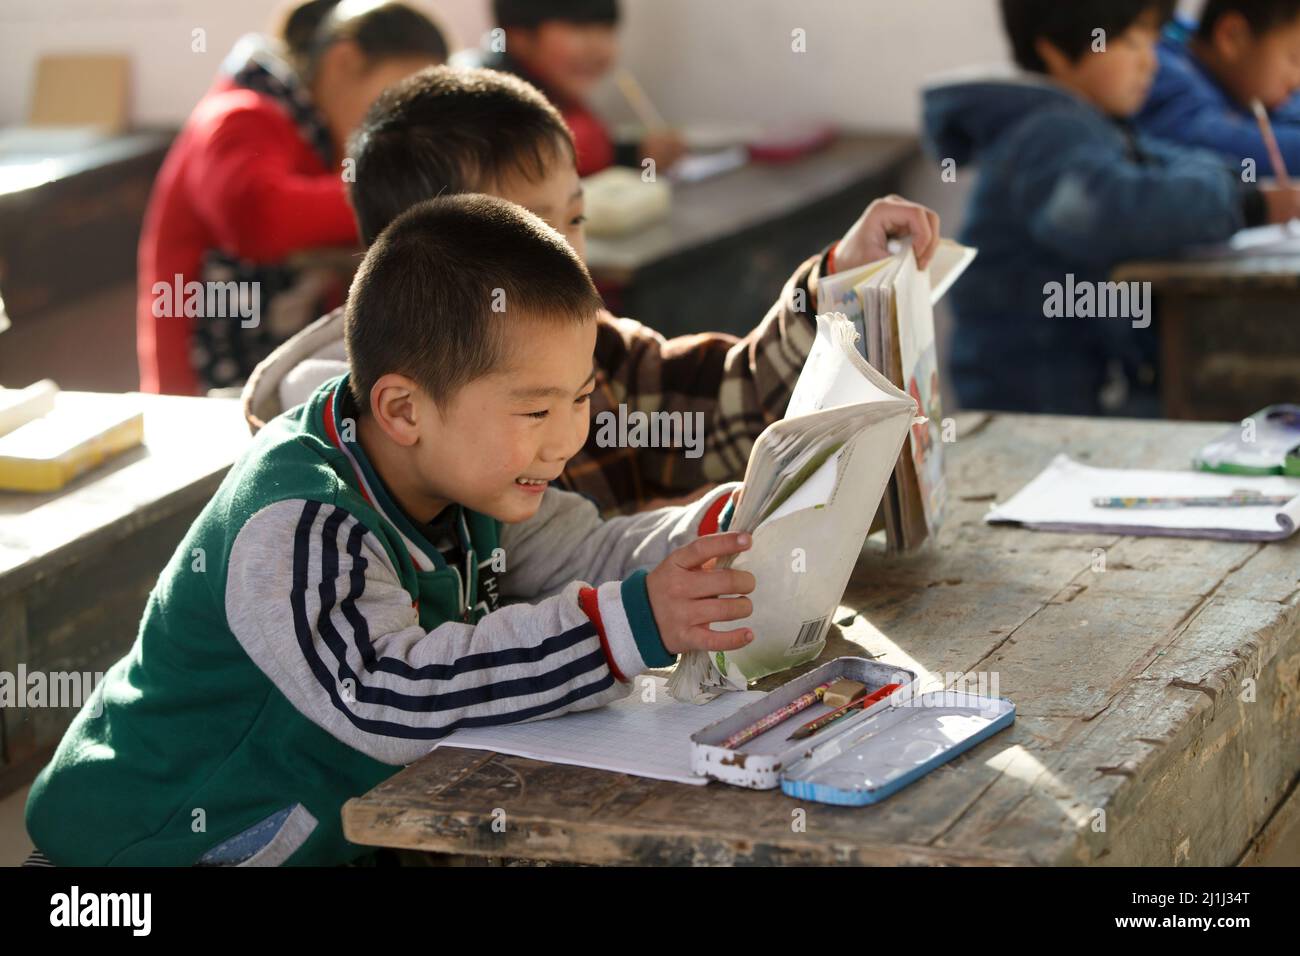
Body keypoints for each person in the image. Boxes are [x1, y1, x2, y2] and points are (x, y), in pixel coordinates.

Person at [27, 195, 762, 866]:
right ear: (404, 410)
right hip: (148, 856)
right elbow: (388, 694)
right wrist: (625, 627)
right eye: (537, 412)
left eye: (578, 399)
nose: (567, 436)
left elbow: (590, 550)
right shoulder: (297, 522)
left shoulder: (467, 473)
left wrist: (727, 530)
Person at [243, 66, 943, 514]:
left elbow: (728, 405)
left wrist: (838, 283)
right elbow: (519, 584)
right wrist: (681, 524)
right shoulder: (389, 435)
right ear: (413, 259)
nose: (564, 254)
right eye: (525, 231)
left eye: (573, 218)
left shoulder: (595, 348)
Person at [922, 0, 1300, 415]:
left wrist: (1240, 188)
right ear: (1054, 46)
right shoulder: (1046, 136)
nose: (1150, 64)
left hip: (1075, 385)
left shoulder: (1091, 127)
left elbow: (1165, 164)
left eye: (1153, 44)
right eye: (1131, 43)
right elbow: (1120, 214)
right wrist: (1249, 203)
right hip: (1035, 398)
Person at [137, 0, 447, 395]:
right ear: (344, 62)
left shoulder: (321, 134)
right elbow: (260, 217)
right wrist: (412, 192)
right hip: (203, 393)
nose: (399, 123)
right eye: (393, 99)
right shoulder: (239, 115)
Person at [458, 0, 685, 176]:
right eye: (580, 28)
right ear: (520, 36)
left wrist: (638, 155)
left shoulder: (556, 90)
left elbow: (586, 158)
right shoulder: (488, 110)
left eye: (606, 29)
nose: (599, 48)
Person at [1137, 0, 1300, 175]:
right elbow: (1212, 140)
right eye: (1295, 59)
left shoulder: (1245, 88)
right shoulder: (1163, 73)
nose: (1296, 82)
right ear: (1233, 37)